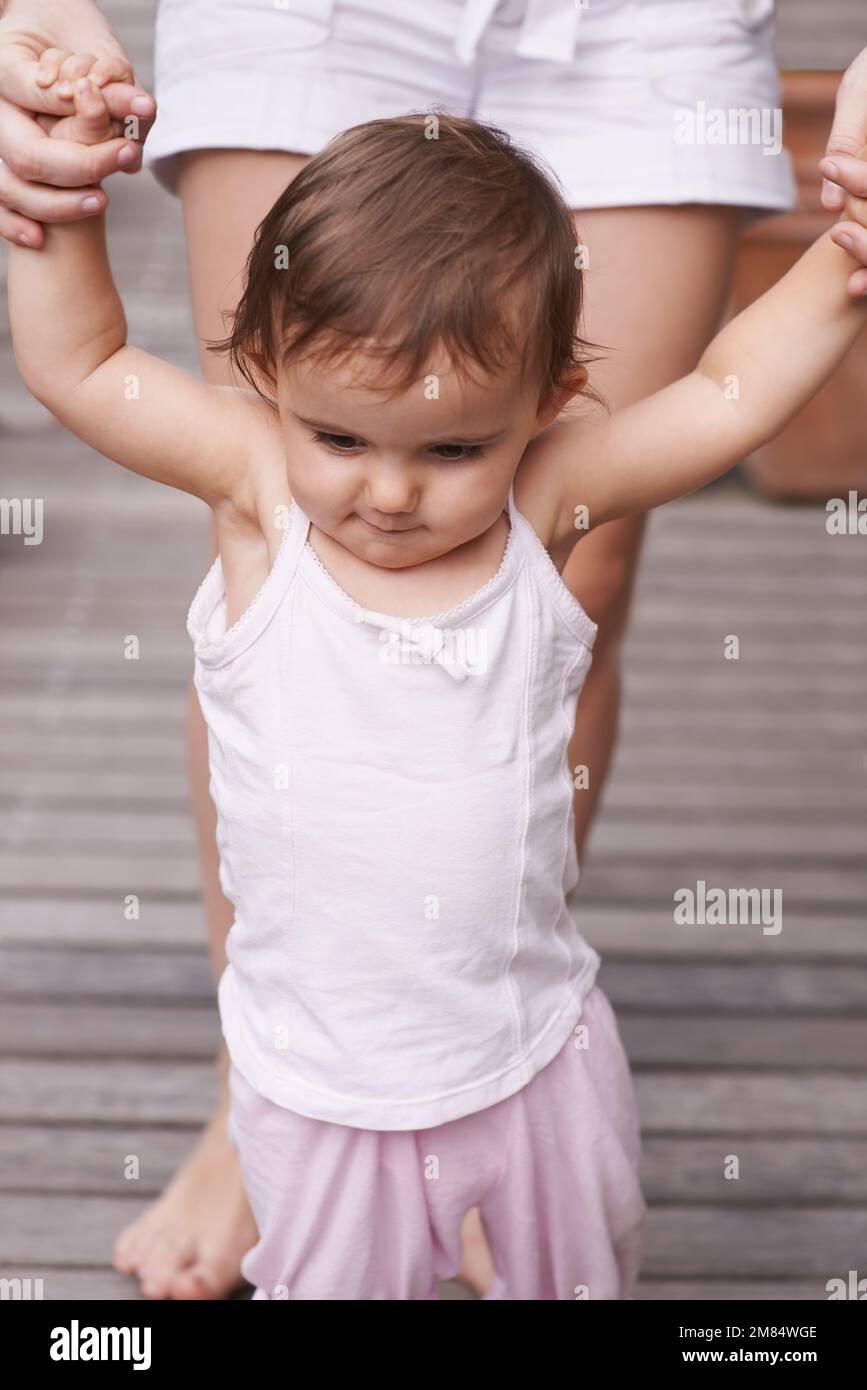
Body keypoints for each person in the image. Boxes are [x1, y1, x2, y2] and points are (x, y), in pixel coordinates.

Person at [2, 0, 867, 1300]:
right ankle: (236, 1144)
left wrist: (848, 255)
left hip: (532, 1061)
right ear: (265, 371)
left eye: (452, 447)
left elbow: (731, 391)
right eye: (341, 438)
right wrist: (55, 200)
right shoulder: (260, 491)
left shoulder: (545, 497)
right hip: (317, 1079)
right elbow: (84, 362)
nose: (390, 491)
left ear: (546, 405)